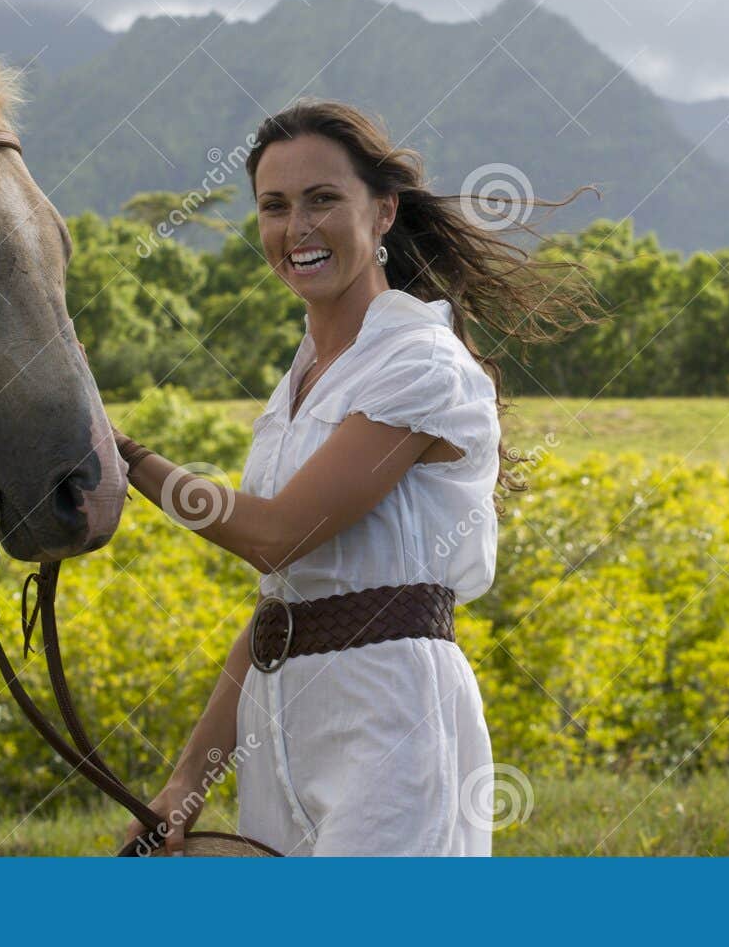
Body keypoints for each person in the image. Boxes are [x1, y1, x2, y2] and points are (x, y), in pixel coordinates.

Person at [112, 100, 600, 855]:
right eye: (274, 207)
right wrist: (188, 781)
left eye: (322, 199)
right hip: (278, 733)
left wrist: (120, 454)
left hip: (392, 725)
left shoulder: (419, 361)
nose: (296, 227)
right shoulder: (299, 386)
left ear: (382, 213)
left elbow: (275, 536)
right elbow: (281, 604)